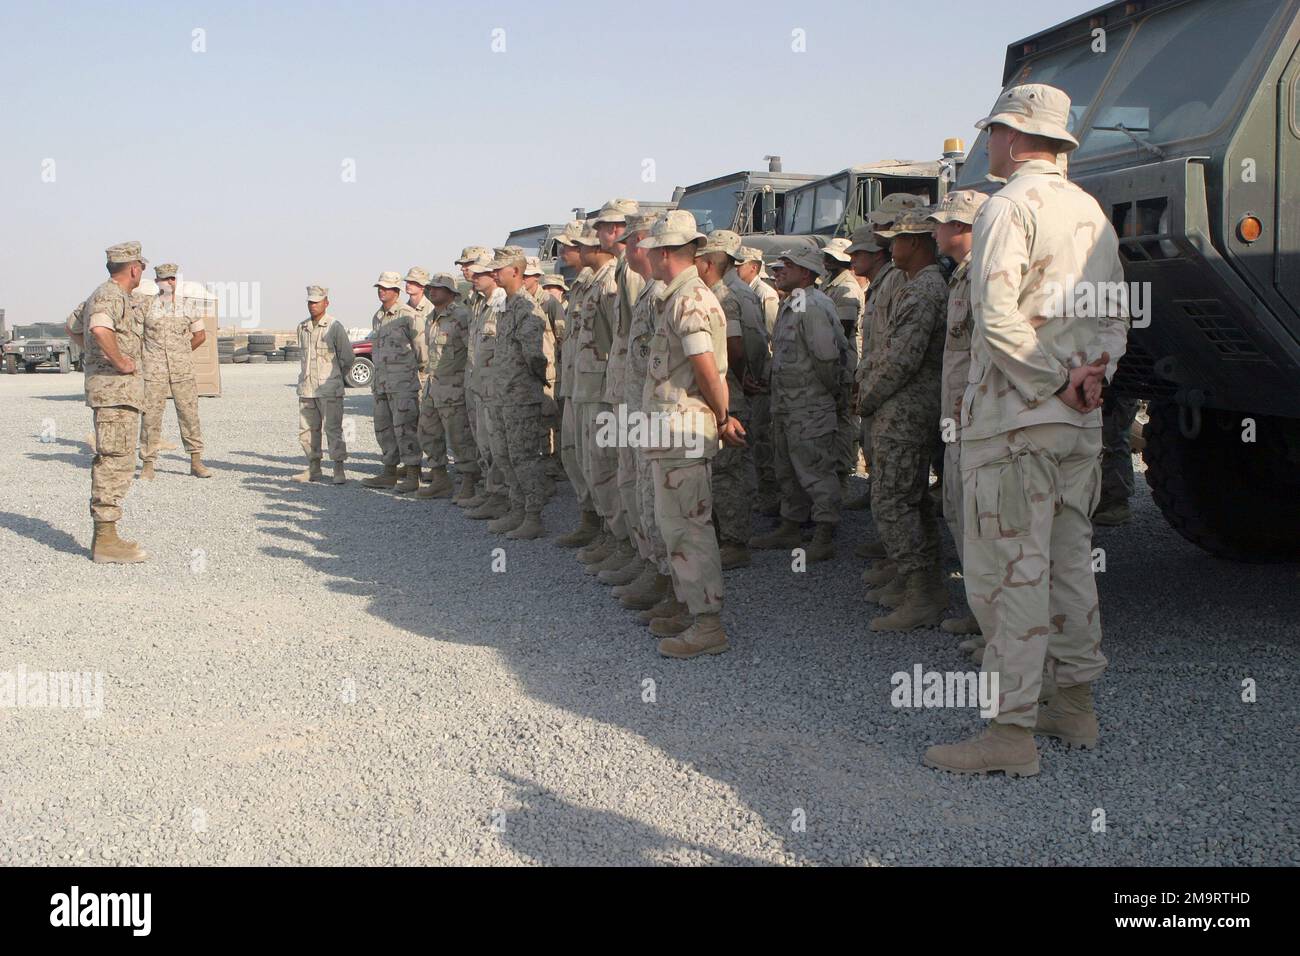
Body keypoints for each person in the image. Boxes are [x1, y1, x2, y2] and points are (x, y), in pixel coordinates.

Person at [924, 83, 1129, 776]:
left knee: (1010, 574)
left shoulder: (1008, 206)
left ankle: (1010, 734)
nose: (989, 144)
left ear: (1013, 137)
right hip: (1077, 425)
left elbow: (996, 314)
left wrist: (1048, 379)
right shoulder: (1089, 210)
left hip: (1016, 422)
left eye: (994, 132)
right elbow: (1115, 313)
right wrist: (1093, 376)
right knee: (1069, 564)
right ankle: (1073, 706)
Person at [638, 211, 740, 658]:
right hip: (671, 433)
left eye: (651, 250)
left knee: (688, 528)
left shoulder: (689, 300)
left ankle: (707, 625)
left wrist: (723, 416)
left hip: (683, 432)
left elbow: (705, 368)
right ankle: (688, 607)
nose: (647, 257)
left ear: (664, 253)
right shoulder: (677, 297)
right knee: (674, 525)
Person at [858, 208, 950, 630]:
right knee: (909, 498)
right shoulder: (916, 285)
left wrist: (867, 397)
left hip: (907, 410)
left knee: (894, 500)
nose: (890, 247)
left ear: (914, 242)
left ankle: (921, 592)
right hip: (903, 406)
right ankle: (917, 581)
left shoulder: (924, 290)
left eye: (896, 240)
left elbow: (902, 359)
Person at [750, 248, 849, 563]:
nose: (778, 272)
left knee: (816, 470)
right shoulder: (791, 303)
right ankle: (791, 525)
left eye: (787, 267)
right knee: (787, 469)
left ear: (806, 273)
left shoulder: (813, 305)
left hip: (810, 406)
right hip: (786, 405)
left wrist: (828, 396)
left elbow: (827, 359)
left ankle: (825, 533)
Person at [927, 190, 989, 637]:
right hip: (957, 417)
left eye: (942, 223)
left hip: (975, 417)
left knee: (978, 520)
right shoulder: (960, 275)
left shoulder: (984, 274)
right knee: (956, 510)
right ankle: (980, 610)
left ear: (964, 227)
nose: (935, 231)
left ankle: (995, 625)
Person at [73, 242, 151, 563]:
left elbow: (72, 326)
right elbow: (99, 328)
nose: (141, 273)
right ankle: (105, 541)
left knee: (118, 458)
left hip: (117, 393)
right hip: (114, 393)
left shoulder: (106, 295)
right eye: (141, 268)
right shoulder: (110, 295)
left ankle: (108, 536)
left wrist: (93, 354)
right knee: (115, 460)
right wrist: (119, 361)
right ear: (134, 268)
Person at [695, 230, 758, 569]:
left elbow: (734, 348)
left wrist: (737, 377)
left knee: (727, 473)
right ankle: (721, 534)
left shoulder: (724, 298)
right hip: (716, 395)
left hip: (727, 396)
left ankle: (735, 541)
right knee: (715, 472)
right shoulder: (709, 295)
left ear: (708, 264)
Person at [484, 248, 550, 538]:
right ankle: (517, 509)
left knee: (524, 458)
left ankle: (533, 516)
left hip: (521, 396)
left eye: (499, 268)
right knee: (504, 455)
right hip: (503, 395)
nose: (494, 273)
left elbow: (535, 356)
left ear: (515, 271)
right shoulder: (506, 305)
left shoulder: (526, 306)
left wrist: (531, 384)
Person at [552, 222, 601, 546]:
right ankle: (590, 520)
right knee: (574, 456)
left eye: (569, 245)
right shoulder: (581, 286)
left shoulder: (605, 283)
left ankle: (613, 534)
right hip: (575, 385)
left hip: (598, 389)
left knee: (601, 463)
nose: (563, 251)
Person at [139, 263, 211, 480]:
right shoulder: (145, 306)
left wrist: (183, 353)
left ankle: (196, 461)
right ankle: (148, 464)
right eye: (164, 279)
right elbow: (136, 336)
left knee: (189, 415)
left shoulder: (187, 306)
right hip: (154, 370)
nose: (169, 282)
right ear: (157, 282)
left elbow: (200, 335)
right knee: (151, 416)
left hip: (182, 370)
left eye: (172, 278)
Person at [361, 272, 425, 493]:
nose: (382, 291)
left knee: (406, 429)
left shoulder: (409, 316)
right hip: (381, 383)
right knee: (384, 429)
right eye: (380, 287)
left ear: (396, 290)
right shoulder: (378, 316)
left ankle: (413, 474)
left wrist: (415, 373)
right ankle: (389, 473)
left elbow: (422, 350)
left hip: (403, 384)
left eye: (387, 288)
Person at [416, 273, 479, 500]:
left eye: (438, 288)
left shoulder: (461, 316)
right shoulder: (431, 317)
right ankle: (440, 480)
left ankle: (469, 482)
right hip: (433, 387)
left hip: (454, 388)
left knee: (459, 437)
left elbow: (472, 353)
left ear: (451, 293)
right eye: (431, 288)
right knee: (427, 433)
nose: (432, 291)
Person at [293, 285, 354, 484]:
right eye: (310, 302)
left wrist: (334, 377)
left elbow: (347, 358)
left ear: (326, 303)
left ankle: (338, 469)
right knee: (307, 431)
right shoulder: (302, 328)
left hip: (329, 389)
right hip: (307, 388)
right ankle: (314, 468)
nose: (313, 305)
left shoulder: (334, 327)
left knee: (333, 429)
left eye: (317, 302)